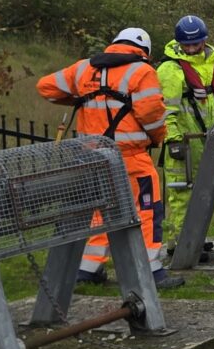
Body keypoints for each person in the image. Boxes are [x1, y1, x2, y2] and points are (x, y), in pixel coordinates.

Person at [37, 26, 181, 289]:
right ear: (144, 51)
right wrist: (158, 138)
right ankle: (151, 270)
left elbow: (45, 87)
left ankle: (89, 267)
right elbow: (152, 114)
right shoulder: (141, 71)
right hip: (131, 158)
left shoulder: (83, 69)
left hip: (91, 158)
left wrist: (81, 98)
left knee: (99, 210)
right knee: (147, 210)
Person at [159, 14, 214, 248]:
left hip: (209, 141)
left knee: (205, 194)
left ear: (204, 41)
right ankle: (183, 245)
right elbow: (164, 111)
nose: (191, 48)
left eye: (196, 43)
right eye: (187, 44)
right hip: (182, 144)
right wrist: (173, 140)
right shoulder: (169, 70)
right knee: (182, 196)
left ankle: (196, 239)